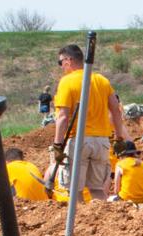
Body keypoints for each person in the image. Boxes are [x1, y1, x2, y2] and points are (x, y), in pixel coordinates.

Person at [49, 43, 131, 202]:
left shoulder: (67, 82)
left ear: (68, 60)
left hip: (77, 141)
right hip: (101, 142)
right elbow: (116, 110)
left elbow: (63, 117)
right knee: (97, 189)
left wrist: (57, 145)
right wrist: (119, 138)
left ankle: (79, 218)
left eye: (61, 62)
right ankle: (101, 216)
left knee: (75, 191)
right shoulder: (102, 80)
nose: (61, 67)